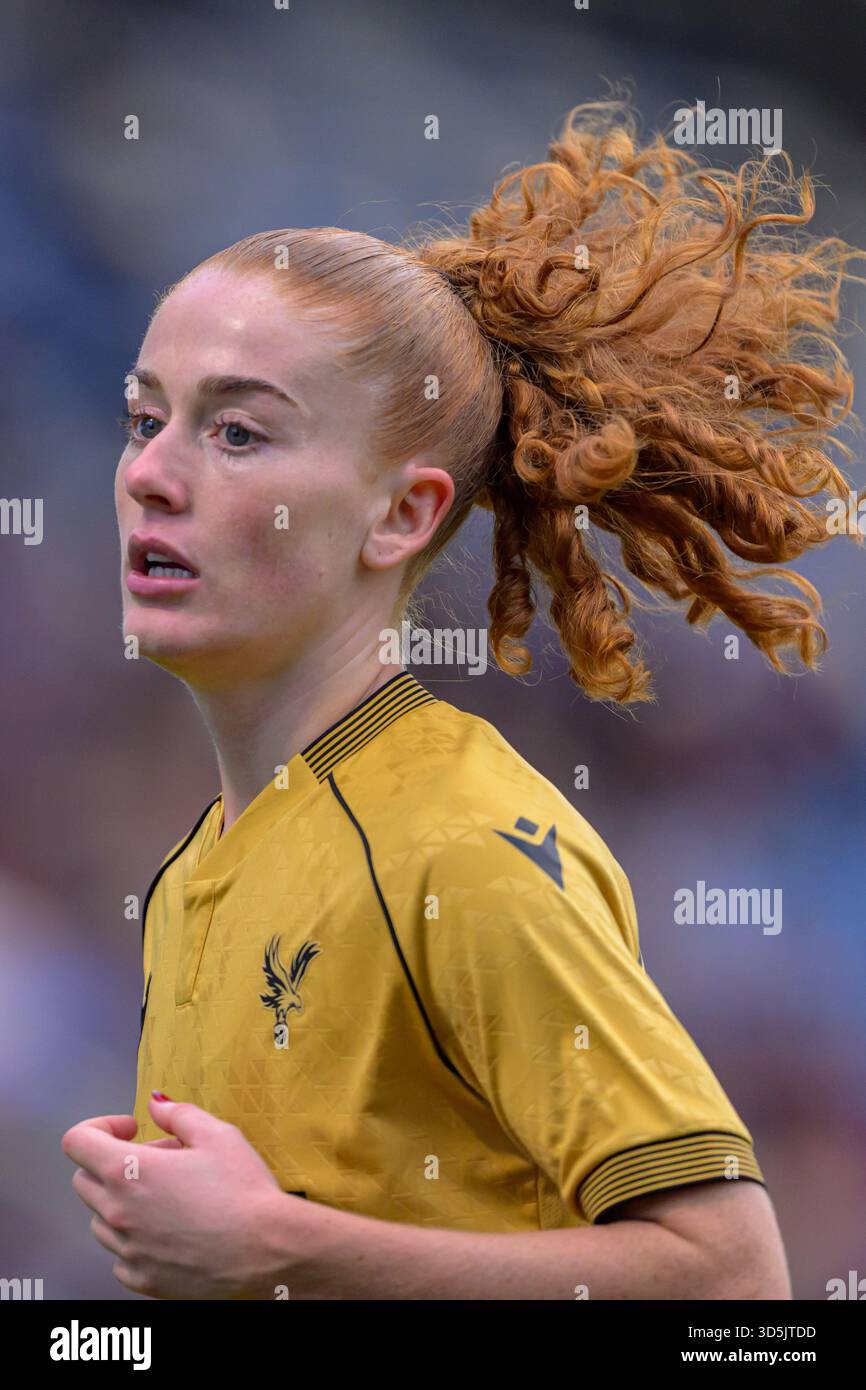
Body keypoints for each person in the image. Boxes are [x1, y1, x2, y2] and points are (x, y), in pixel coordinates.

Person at [63, 102, 860, 1300]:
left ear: (402, 514)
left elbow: (731, 1288)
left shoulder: (460, 848)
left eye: (234, 431)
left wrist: (280, 1247)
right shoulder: (193, 873)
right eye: (143, 419)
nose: (150, 476)